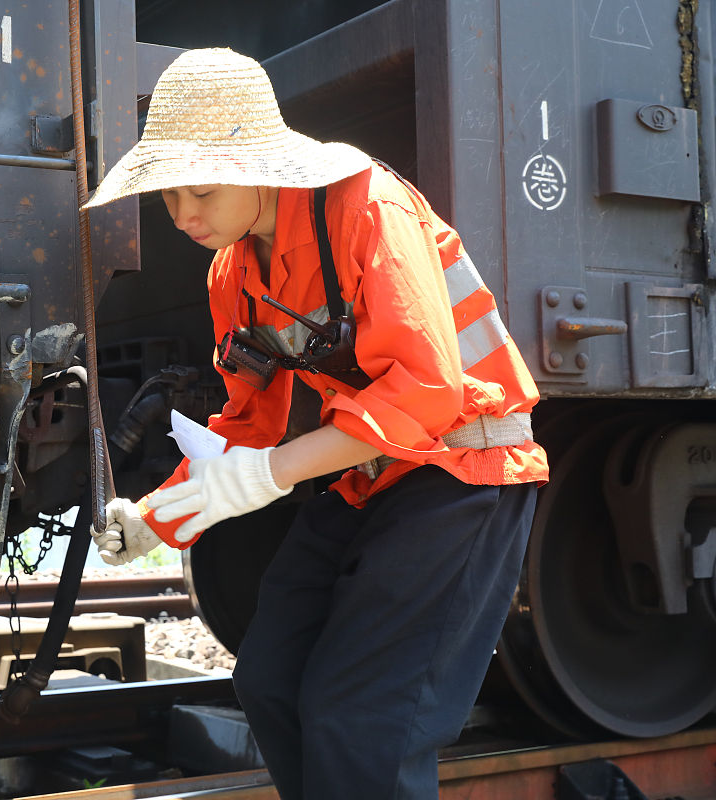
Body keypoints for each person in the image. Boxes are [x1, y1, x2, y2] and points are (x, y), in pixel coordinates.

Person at [82, 47, 549, 799]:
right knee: (270, 679)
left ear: (261, 163)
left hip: (464, 470)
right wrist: (152, 519)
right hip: (373, 477)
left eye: (200, 189)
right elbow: (250, 419)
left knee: (364, 718)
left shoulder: (366, 205)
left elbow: (428, 391)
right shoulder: (232, 273)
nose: (184, 216)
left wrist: (270, 475)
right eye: (168, 198)